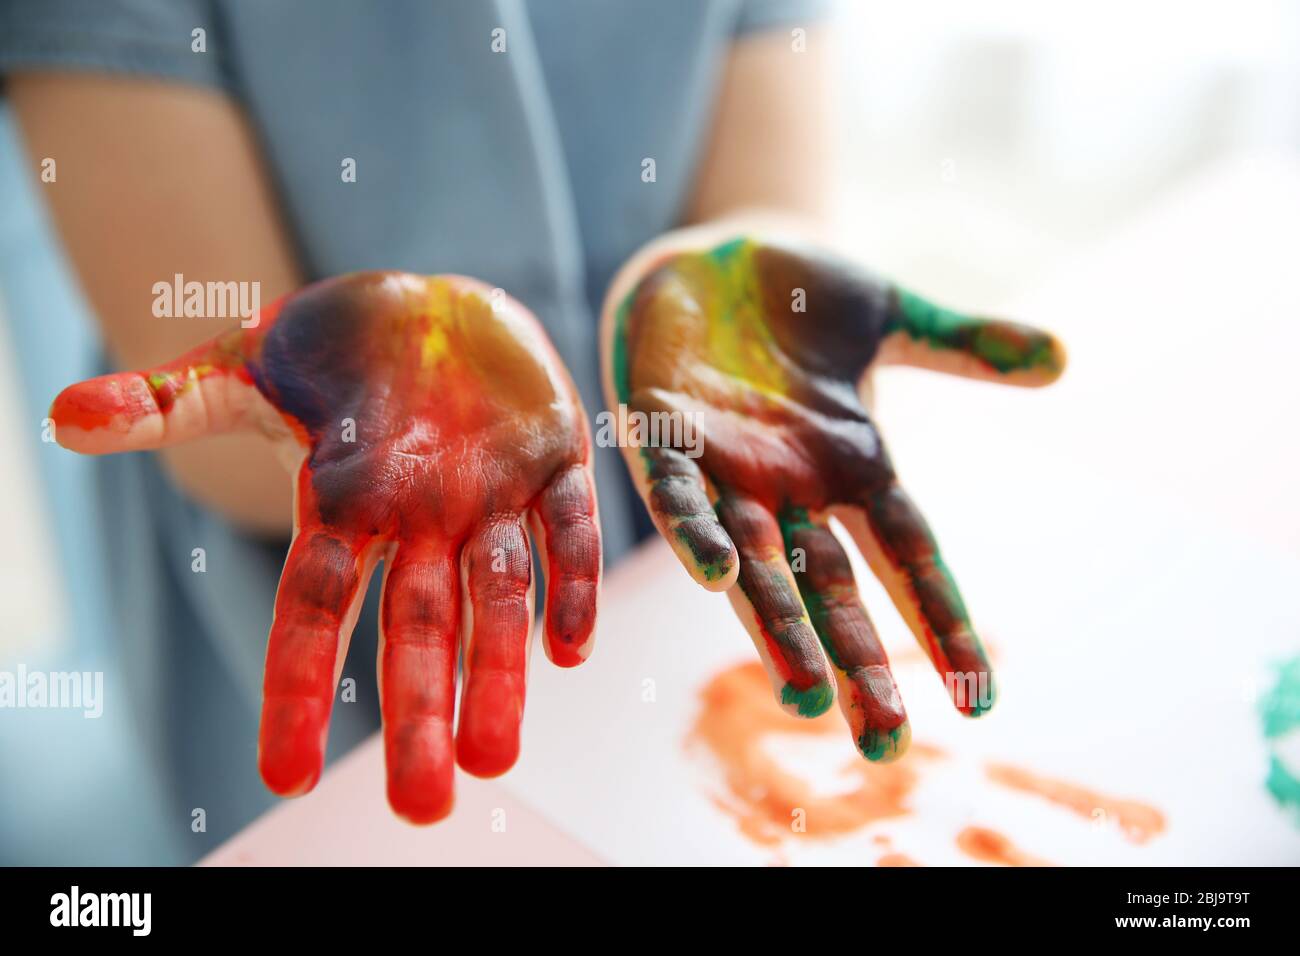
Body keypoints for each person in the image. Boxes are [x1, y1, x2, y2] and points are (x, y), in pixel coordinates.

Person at [0, 0, 836, 861]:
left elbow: (765, 204)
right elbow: (195, 348)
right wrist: (347, 406)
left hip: (671, 547)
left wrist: (749, 306)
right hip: (296, 555)